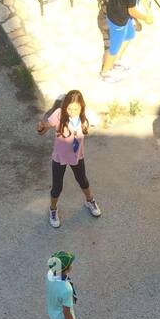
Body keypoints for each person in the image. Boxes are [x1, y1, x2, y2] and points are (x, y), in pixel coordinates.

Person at [38, 90, 101, 228]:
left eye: (76, 109)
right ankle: (53, 209)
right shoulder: (59, 114)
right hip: (59, 158)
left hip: (77, 157)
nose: (72, 112)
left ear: (82, 107)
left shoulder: (86, 117)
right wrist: (41, 128)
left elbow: (99, 121)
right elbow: (45, 128)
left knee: (83, 180)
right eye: (69, 108)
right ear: (64, 107)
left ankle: (90, 201)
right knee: (57, 186)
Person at [100, 0, 155, 81]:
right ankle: (105, 72)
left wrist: (147, 8)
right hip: (117, 18)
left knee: (130, 34)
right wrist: (145, 18)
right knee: (114, 47)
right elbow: (131, 10)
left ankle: (116, 61)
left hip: (123, 14)